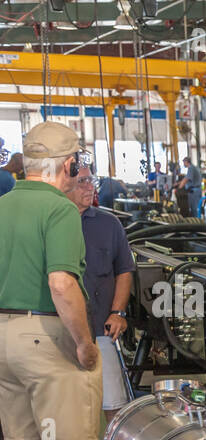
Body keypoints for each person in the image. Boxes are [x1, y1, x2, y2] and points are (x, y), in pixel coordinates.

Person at [0, 122, 103, 440]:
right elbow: (62, 284)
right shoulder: (60, 210)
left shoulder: (3, 206)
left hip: (3, 339)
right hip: (46, 337)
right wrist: (83, 345)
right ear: (70, 165)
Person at [62, 164, 135, 421]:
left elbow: (124, 270)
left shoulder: (108, 224)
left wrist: (117, 312)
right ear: (65, 183)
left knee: (113, 403)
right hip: (61, 332)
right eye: (82, 181)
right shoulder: (54, 222)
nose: (89, 186)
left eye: (91, 180)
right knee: (67, 408)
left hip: (101, 329)